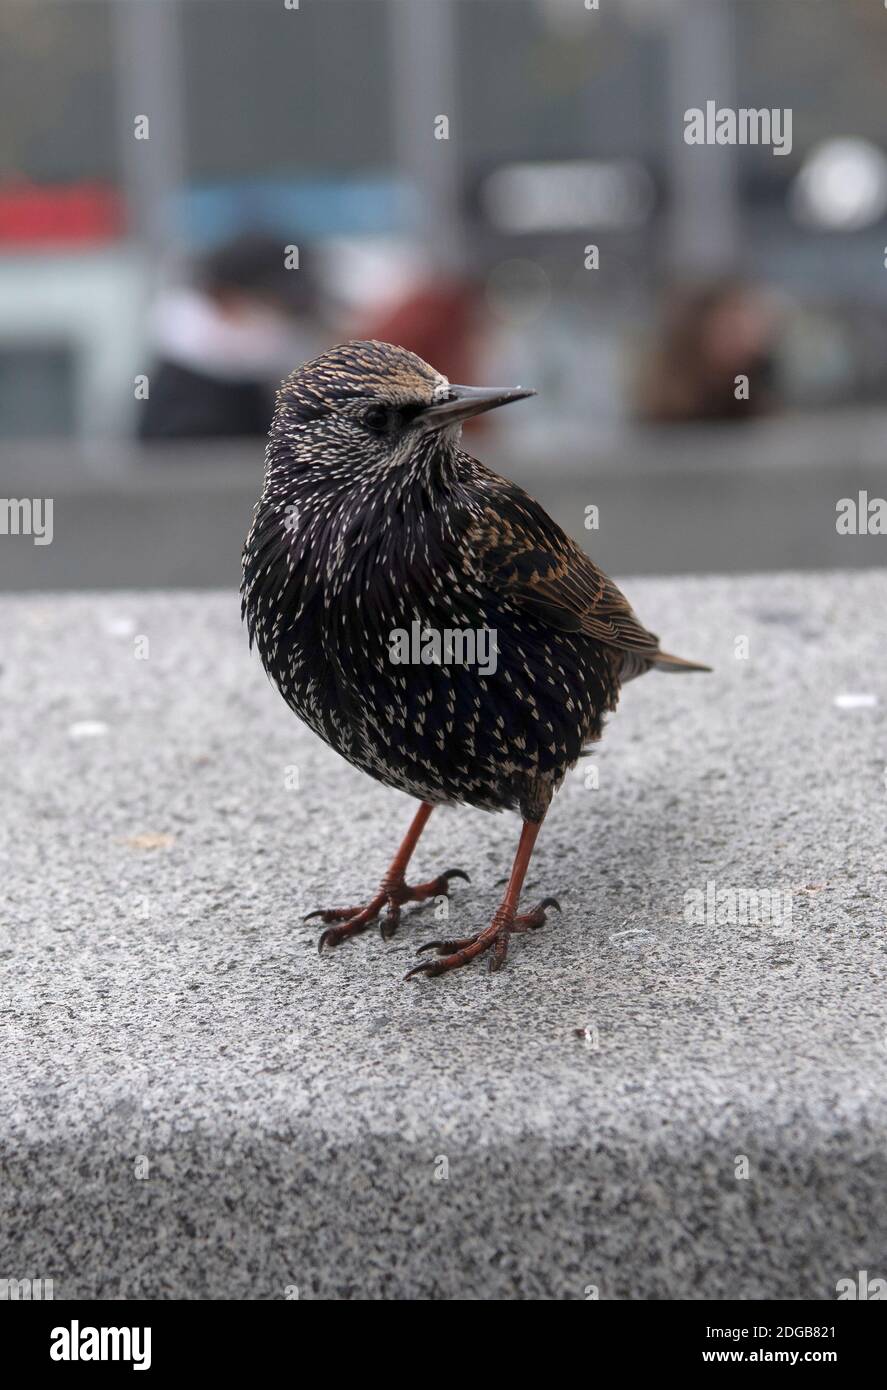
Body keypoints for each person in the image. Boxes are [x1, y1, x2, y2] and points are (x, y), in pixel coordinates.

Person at [138, 234, 322, 442]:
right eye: (275, 306)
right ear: (224, 298)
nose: (283, 324)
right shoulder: (186, 394)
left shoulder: (259, 371)